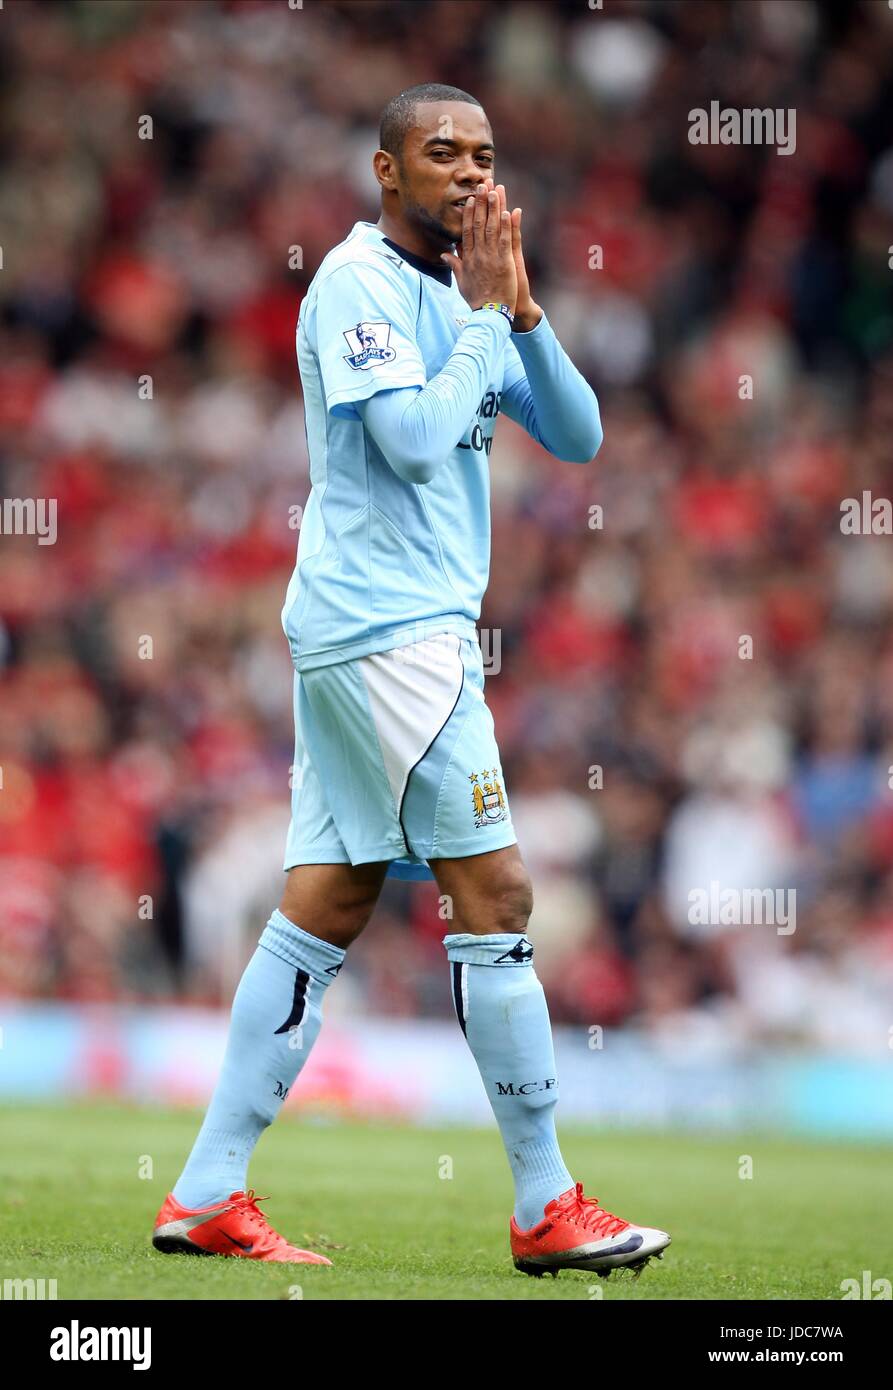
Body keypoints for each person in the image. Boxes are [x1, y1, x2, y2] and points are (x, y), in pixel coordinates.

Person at [153, 83, 670, 1278]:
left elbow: (582, 435)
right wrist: (487, 321)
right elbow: (411, 440)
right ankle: (545, 1202)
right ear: (386, 172)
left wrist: (521, 311)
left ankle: (203, 1194)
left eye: (484, 156)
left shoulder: (466, 296)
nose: (469, 174)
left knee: (324, 906)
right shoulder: (359, 285)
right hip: (393, 633)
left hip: (374, 633)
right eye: (441, 153)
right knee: (494, 897)